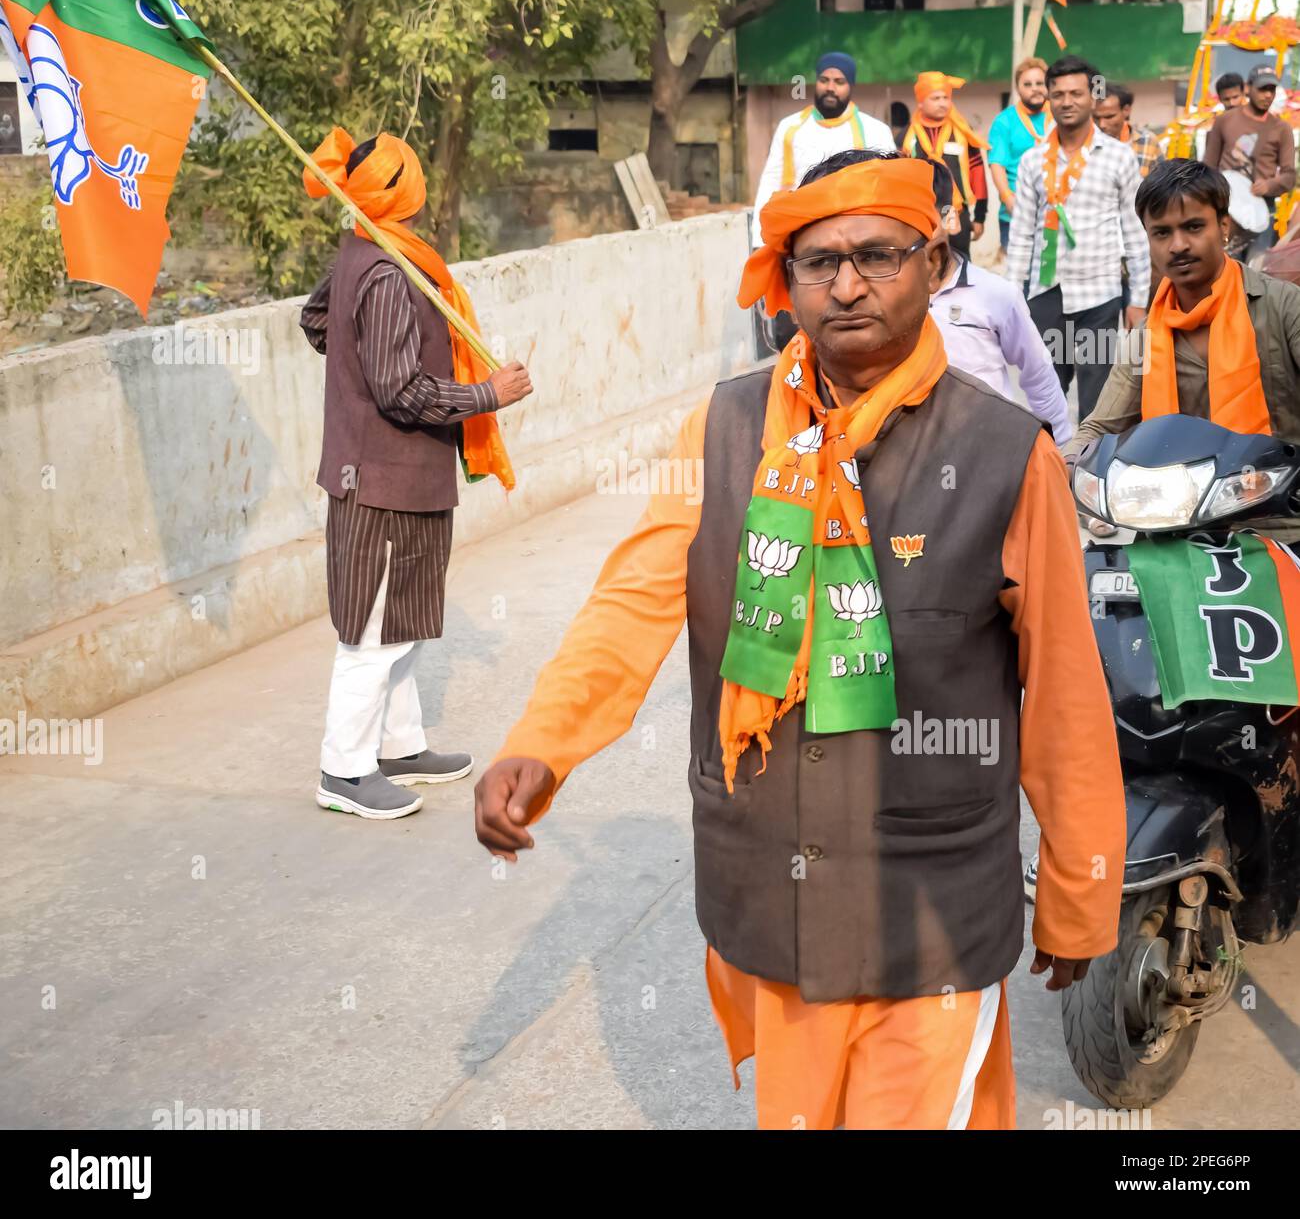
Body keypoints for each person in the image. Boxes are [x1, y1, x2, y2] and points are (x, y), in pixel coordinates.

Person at [474, 150, 1125, 1130]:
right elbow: (634, 602)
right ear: (785, 282)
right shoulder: (725, 429)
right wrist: (542, 740)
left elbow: (1066, 694)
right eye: (818, 261)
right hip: (769, 902)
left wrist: (1079, 888)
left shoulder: (1004, 455)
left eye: (878, 254)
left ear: (934, 264)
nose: (848, 284)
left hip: (928, 913)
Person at [300, 129, 533, 819]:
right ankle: (342, 769)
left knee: (401, 619)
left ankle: (398, 745)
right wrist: (489, 394)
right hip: (382, 477)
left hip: (396, 472)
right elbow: (402, 391)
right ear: (402, 189)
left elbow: (316, 319)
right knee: (372, 629)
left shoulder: (367, 250)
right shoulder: (388, 273)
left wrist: (350, 356)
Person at [1067, 159, 1300, 544]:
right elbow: (1099, 428)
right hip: (1176, 530)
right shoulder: (1146, 336)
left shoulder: (1283, 306)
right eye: (1161, 233)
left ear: (1223, 227)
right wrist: (1060, 466)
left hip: (1280, 528)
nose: (1178, 246)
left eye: (1193, 227)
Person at [1007, 54, 1150, 427]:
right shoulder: (1032, 161)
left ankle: (1088, 480)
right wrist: (1013, 298)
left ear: (1092, 97)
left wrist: (1138, 299)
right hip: (1045, 295)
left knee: (1098, 405)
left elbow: (1135, 231)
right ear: (1049, 99)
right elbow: (1022, 232)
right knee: (1045, 402)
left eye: (1075, 93)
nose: (1066, 101)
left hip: (1099, 298)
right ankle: (1049, 479)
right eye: (1058, 94)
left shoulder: (1118, 157)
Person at [923, 157, 1071, 444]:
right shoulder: (887, 298)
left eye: (922, 221)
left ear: (950, 219)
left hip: (988, 446)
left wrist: (1062, 448)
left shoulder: (994, 294)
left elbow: (1037, 371)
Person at [752, 51, 896, 247]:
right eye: (824, 80)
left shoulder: (875, 131)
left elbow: (887, 188)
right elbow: (771, 181)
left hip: (855, 236)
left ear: (850, 86)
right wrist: (760, 240)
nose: (830, 88)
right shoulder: (790, 127)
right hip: (797, 233)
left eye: (839, 82)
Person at [1204, 65, 1296, 260]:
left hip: (1262, 210)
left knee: (1256, 273)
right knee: (1225, 272)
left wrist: (1269, 185)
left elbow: (1289, 176)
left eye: (1271, 90)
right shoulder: (1224, 121)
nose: (1267, 95)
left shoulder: (1282, 129)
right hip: (1227, 208)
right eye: (1262, 89)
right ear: (1248, 88)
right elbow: (1208, 166)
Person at [902, 71, 989, 259]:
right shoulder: (905, 137)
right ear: (921, 102)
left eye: (946, 97)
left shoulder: (963, 132)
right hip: (920, 212)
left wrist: (980, 216)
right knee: (925, 263)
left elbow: (978, 171)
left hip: (956, 211)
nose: (942, 102)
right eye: (935, 98)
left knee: (960, 262)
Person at [987, 57, 1051, 256]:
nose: (1035, 89)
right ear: (1018, 88)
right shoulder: (1004, 121)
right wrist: (1008, 199)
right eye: (1027, 84)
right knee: (1020, 281)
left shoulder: (1060, 116)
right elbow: (997, 164)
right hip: (1016, 212)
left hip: (1055, 214)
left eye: (1040, 83)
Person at [1094, 82, 1163, 180]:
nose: (1102, 125)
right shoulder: (1087, 145)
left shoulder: (1148, 141)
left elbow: (1162, 185)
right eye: (1096, 118)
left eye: (1109, 117)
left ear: (1126, 110)